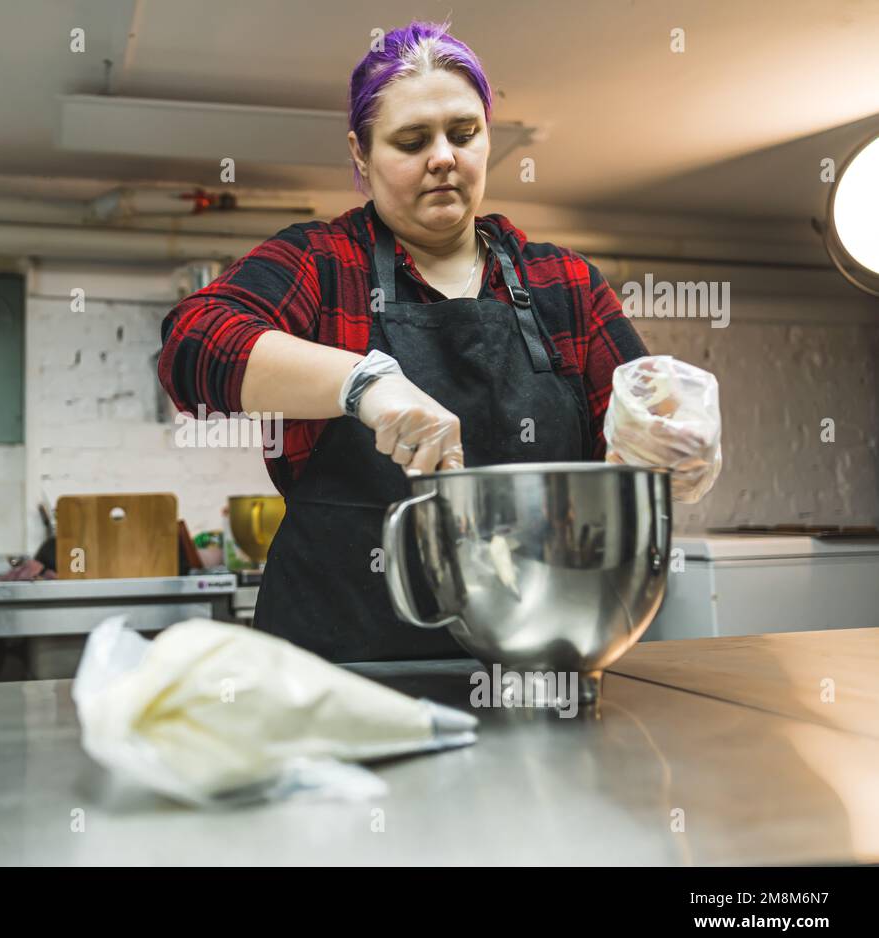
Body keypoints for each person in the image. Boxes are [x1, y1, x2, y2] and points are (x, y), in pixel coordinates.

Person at [158, 20, 721, 663]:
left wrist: (669, 440)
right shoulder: (320, 263)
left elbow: (636, 438)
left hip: (535, 658)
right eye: (411, 140)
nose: (444, 157)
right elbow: (193, 344)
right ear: (361, 156)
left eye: (463, 133)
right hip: (339, 673)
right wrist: (361, 383)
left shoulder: (562, 282)